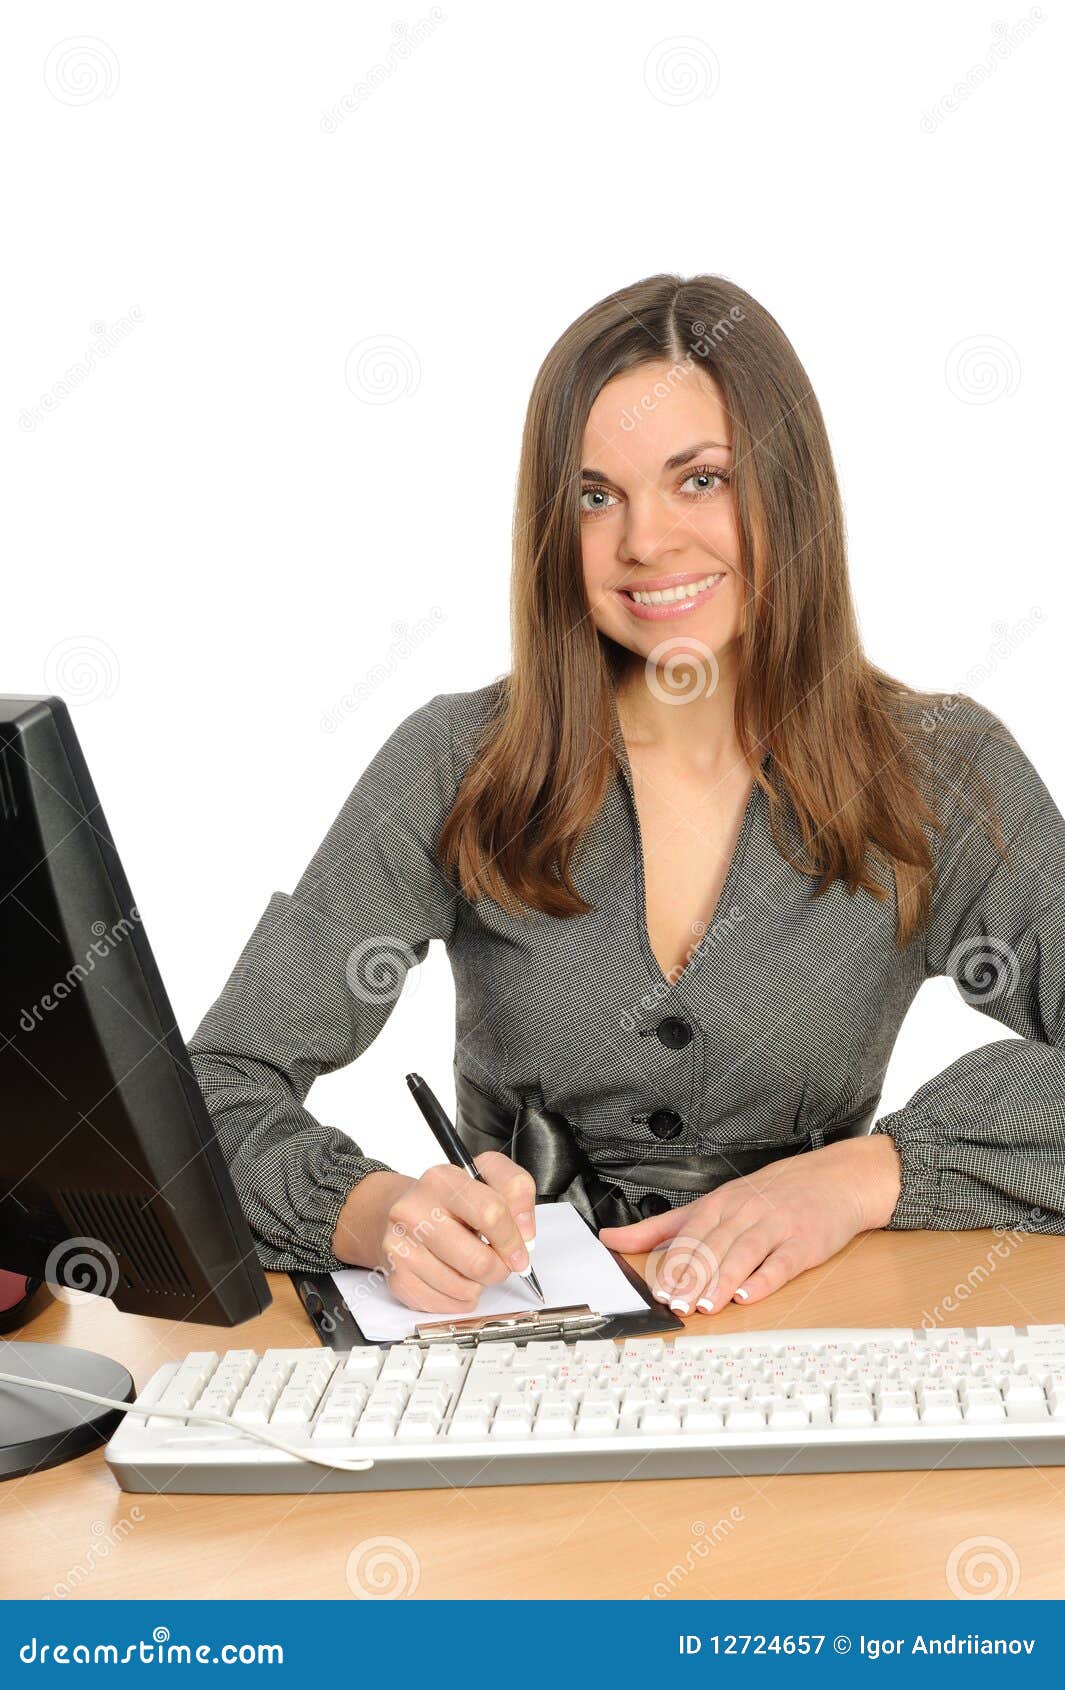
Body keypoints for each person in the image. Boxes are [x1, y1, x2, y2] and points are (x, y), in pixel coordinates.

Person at [188, 272, 1065, 1317]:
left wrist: (872, 1174)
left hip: (814, 1354)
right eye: (595, 496)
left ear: (787, 490)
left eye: (700, 480)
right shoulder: (453, 760)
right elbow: (210, 1090)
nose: (645, 541)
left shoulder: (941, 772)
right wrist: (377, 1214)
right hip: (515, 1359)